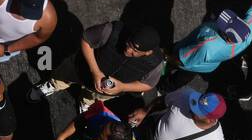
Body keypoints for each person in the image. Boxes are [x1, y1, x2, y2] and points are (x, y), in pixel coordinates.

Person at [29, 23, 164, 108]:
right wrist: (95, 71)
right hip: (82, 68)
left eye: (136, 51)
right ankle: (53, 85)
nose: (128, 50)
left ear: (148, 52)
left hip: (107, 90)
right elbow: (86, 40)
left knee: (93, 98)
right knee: (63, 77)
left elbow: (148, 84)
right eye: (129, 44)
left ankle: (86, 102)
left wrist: (123, 87)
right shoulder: (113, 30)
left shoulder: (155, 63)